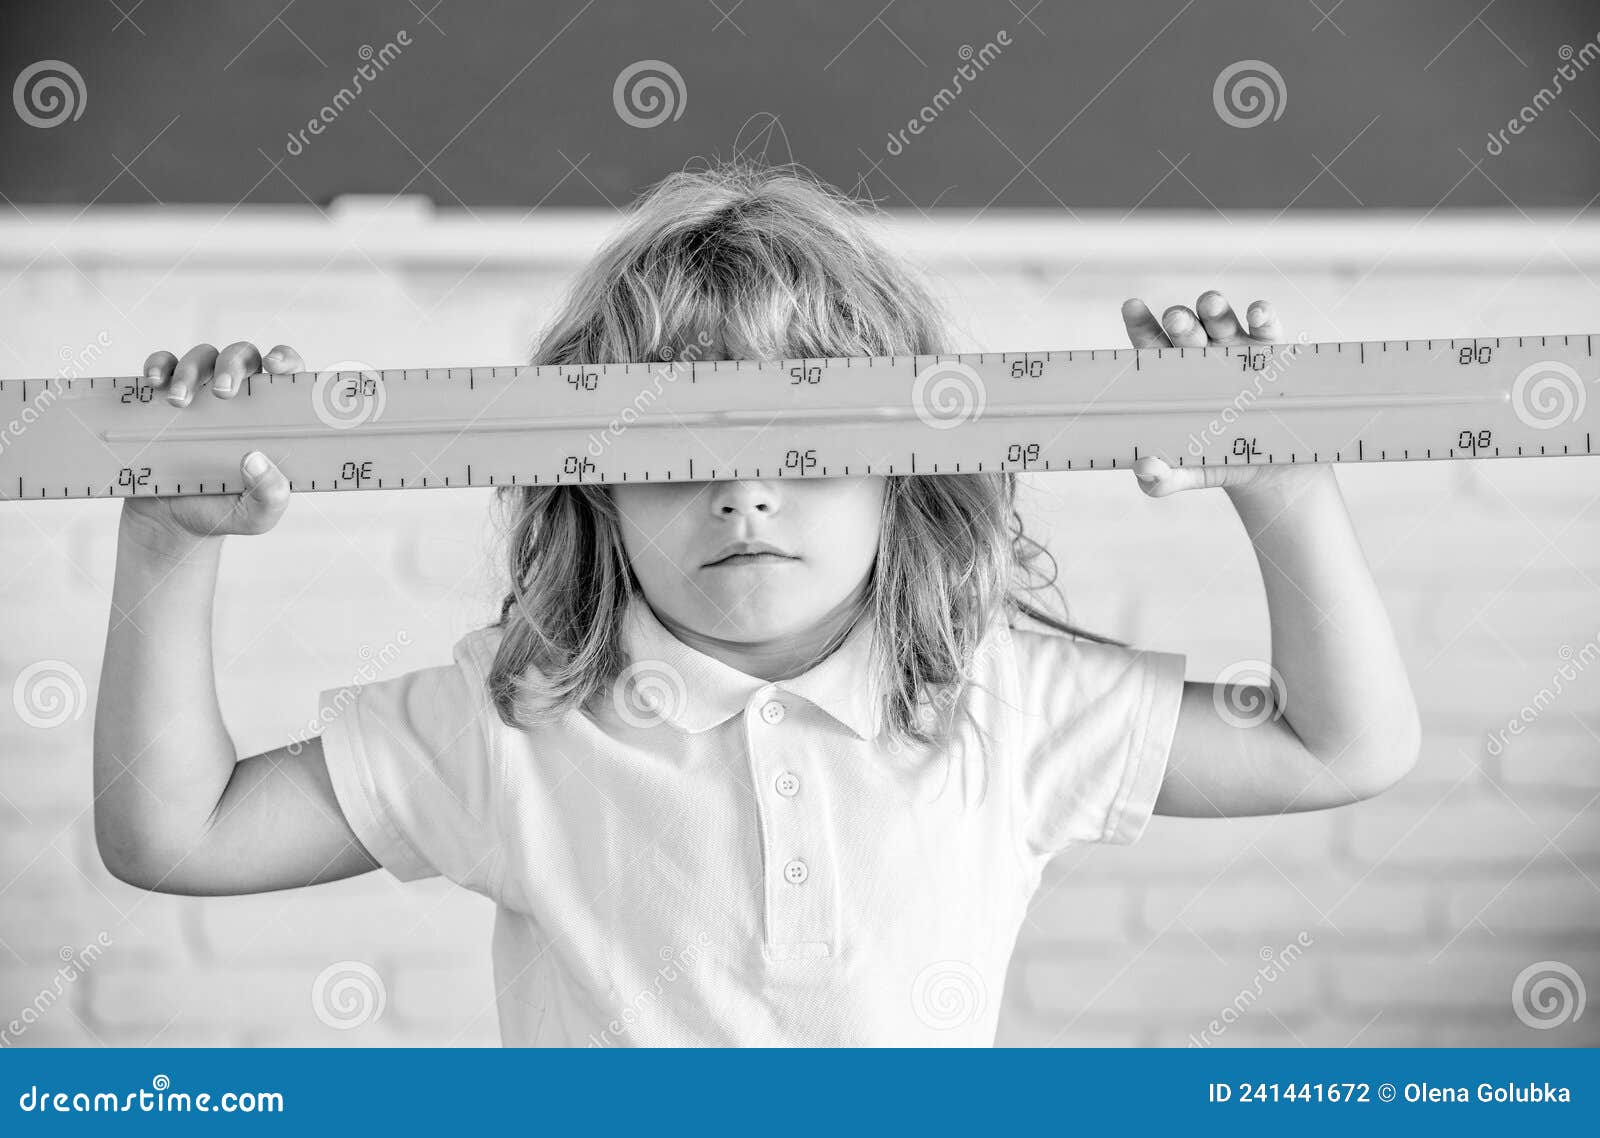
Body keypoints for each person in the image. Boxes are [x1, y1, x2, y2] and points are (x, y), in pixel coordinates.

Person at [93, 159, 1420, 1046]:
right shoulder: (517, 719)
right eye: (675, 446)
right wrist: (168, 542)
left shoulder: (1000, 697)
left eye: (804, 435)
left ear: (904, 475)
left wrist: (1285, 491)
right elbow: (180, 833)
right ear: (594, 492)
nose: (741, 491)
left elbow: (1341, 742)